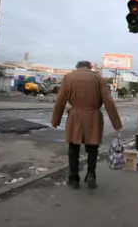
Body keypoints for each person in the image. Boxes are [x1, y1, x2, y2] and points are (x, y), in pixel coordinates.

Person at [51, 61, 122, 190]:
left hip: (75, 117)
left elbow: (60, 100)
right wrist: (116, 123)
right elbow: (109, 102)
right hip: (93, 117)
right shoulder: (99, 79)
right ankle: (91, 175)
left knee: (73, 149)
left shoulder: (69, 77)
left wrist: (56, 120)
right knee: (93, 150)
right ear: (90, 68)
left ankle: (73, 179)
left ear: (77, 67)